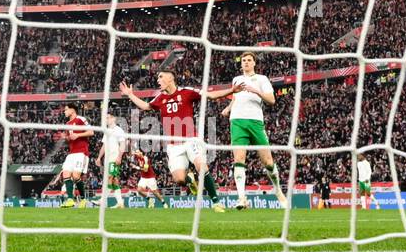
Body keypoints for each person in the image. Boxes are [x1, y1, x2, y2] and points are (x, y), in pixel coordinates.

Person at [118, 71, 235, 213]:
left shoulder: (187, 92)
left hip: (191, 140)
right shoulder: (160, 98)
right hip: (173, 146)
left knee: (201, 165)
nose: (158, 80)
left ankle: (216, 202)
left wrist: (232, 90)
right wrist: (130, 94)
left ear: (170, 78)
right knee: (179, 180)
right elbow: (146, 106)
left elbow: (210, 95)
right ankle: (190, 180)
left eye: (160, 77)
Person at [224, 52, 288, 209]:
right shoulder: (236, 80)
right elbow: (235, 97)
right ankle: (241, 199)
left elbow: (272, 100)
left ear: (254, 63)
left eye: (249, 60)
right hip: (237, 121)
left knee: (268, 162)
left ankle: (278, 190)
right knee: (239, 159)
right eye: (243, 60)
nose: (246, 62)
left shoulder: (262, 79)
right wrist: (229, 108)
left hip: (255, 122)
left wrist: (256, 91)